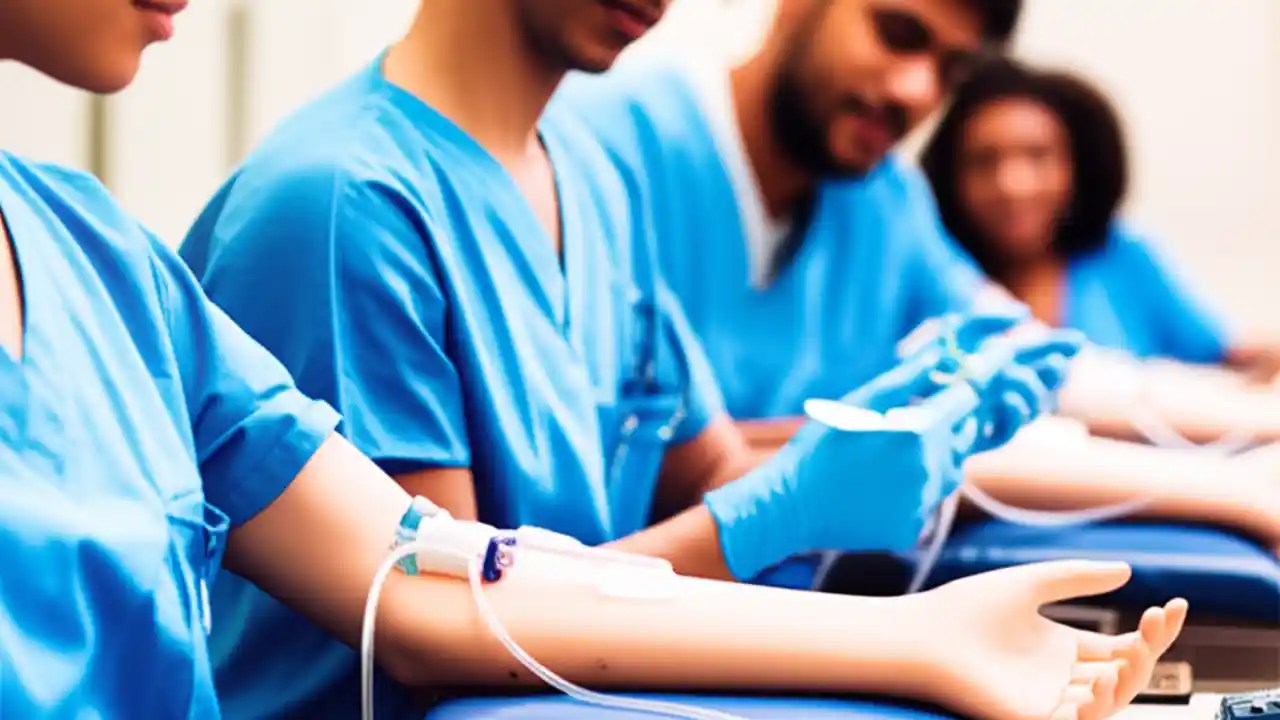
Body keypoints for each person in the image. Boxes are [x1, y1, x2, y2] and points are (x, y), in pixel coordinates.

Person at [0, 1, 1182, 719]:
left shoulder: (96, 249)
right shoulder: (343, 201)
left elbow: (428, 567)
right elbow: (417, 630)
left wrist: (916, 623)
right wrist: (797, 531)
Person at [555, 0, 1280, 560]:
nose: (915, 90)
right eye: (897, 33)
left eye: (951, 71)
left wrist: (1260, 432)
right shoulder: (599, 146)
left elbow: (1043, 363)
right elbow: (636, 466)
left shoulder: (882, 200)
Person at [920, 57, 1241, 365]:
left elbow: (1228, 354)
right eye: (983, 161)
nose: (1012, 186)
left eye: (1038, 156)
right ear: (950, 175)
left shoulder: (1122, 255)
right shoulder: (936, 269)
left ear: (1078, 166)